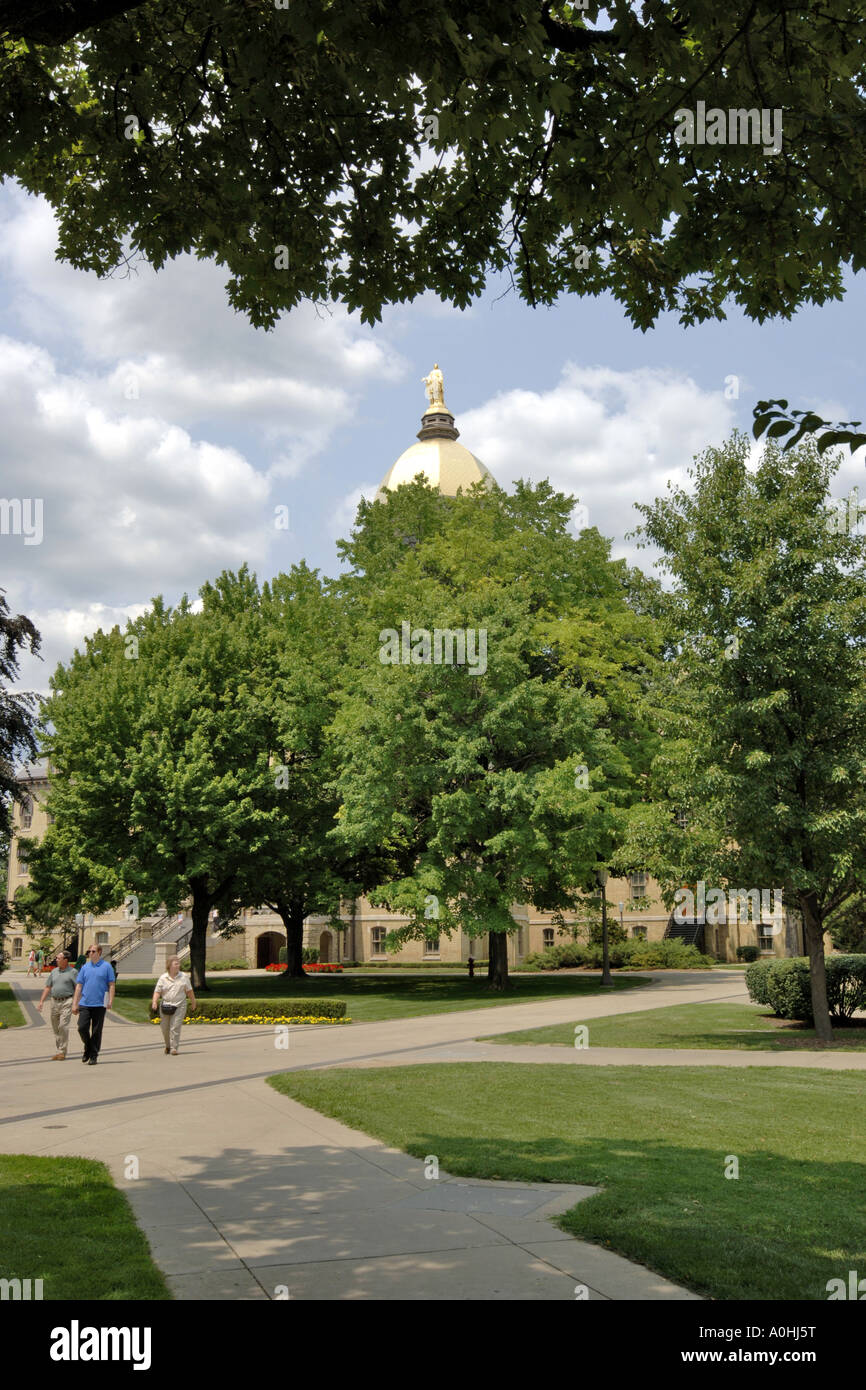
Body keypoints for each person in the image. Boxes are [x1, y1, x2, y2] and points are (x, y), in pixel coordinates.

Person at [71, 945, 115, 1065]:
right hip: (85, 1003)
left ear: (99, 952)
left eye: (93, 951)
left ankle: (93, 1055)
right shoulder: (85, 967)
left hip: (100, 1004)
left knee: (96, 1031)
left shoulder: (107, 966)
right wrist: (75, 1003)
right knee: (82, 1027)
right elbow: (79, 986)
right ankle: (88, 1048)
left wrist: (110, 1000)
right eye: (89, 951)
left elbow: (111, 984)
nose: (90, 953)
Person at [37, 950, 78, 1059]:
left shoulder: (73, 972)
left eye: (58, 958)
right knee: (56, 1028)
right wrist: (41, 1001)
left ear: (65, 960)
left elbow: (78, 988)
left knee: (63, 1026)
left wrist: (76, 1004)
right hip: (54, 1001)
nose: (56, 960)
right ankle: (59, 1050)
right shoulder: (54, 971)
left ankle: (62, 1051)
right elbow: (48, 987)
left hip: (67, 1001)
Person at [151, 955, 196, 1054]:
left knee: (175, 1027)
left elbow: (189, 991)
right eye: (176, 964)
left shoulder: (184, 977)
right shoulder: (163, 978)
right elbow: (157, 991)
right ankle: (168, 1045)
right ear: (169, 965)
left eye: (178, 963)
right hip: (166, 1005)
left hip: (180, 1005)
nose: (178, 965)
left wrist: (193, 1002)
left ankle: (174, 1048)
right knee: (165, 1028)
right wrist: (154, 1001)